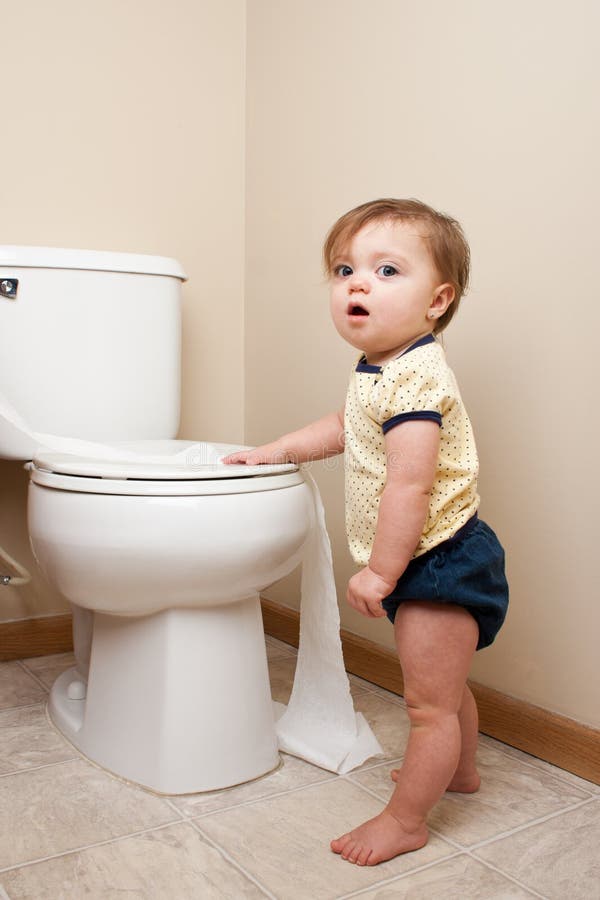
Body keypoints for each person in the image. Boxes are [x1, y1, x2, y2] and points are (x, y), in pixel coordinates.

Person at [223, 198, 509, 866]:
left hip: (440, 559)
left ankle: (408, 820)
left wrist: (381, 572)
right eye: (345, 268)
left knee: (427, 707)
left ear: (437, 300)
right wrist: (277, 449)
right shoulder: (386, 366)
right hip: (438, 552)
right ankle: (460, 773)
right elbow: (347, 426)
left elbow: (409, 485)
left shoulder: (416, 380)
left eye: (386, 270)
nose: (357, 283)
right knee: (445, 690)